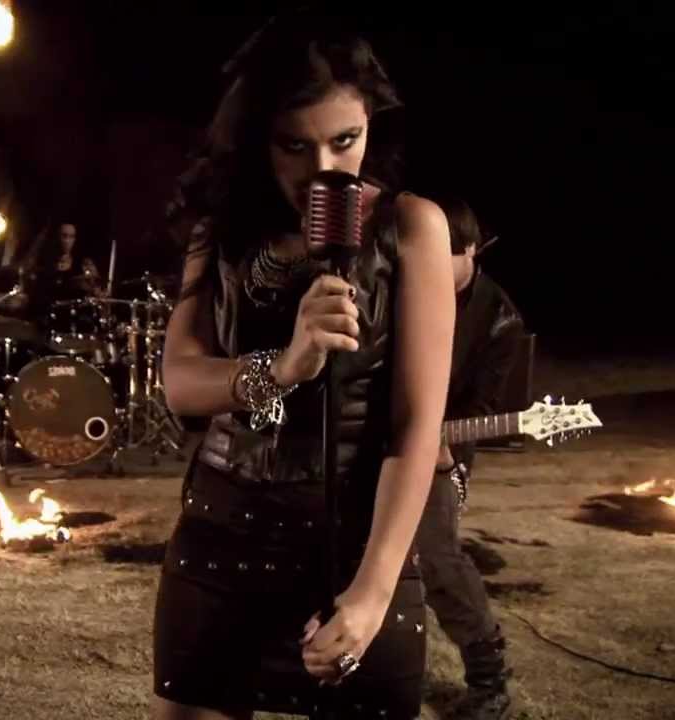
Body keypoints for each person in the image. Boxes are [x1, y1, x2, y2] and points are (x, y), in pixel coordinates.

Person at [153, 10, 455, 719]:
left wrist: (372, 594)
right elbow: (179, 382)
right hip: (222, 531)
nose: (324, 170)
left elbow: (415, 430)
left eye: (345, 140)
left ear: (371, 125)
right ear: (258, 137)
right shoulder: (222, 230)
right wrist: (283, 367)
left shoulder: (412, 228)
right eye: (295, 145)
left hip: (355, 542)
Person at [414, 196, 524, 720]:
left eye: (445, 256)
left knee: (436, 555)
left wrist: (444, 448)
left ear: (472, 250)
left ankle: (489, 678)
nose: (431, 268)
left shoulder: (499, 318)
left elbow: (481, 407)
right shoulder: (406, 285)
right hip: (379, 437)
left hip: (444, 447)